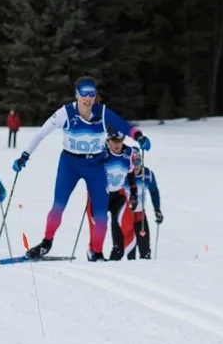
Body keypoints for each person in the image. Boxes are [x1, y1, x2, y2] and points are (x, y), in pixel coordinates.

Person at [13, 74, 151, 262]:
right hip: (70, 164)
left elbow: (125, 127)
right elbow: (40, 134)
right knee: (59, 205)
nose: (88, 98)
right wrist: (25, 155)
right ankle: (46, 243)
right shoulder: (65, 113)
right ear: (77, 94)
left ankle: (97, 252)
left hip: (95, 165)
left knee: (101, 214)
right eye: (84, 94)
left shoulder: (102, 113)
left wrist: (140, 137)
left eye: (92, 94)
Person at [101, 128, 137, 260]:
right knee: (99, 225)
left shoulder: (128, 152)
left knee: (126, 225)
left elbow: (131, 174)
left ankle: (127, 257)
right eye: (114, 141)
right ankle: (94, 255)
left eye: (120, 141)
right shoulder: (102, 151)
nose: (117, 144)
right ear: (108, 140)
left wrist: (134, 194)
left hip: (117, 194)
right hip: (100, 195)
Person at [128, 145, 162, 260]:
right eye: (133, 162)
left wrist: (157, 210)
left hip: (140, 217)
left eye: (138, 162)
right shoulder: (123, 174)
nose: (136, 166)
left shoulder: (147, 174)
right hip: (125, 217)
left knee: (145, 250)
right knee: (129, 251)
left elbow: (154, 192)